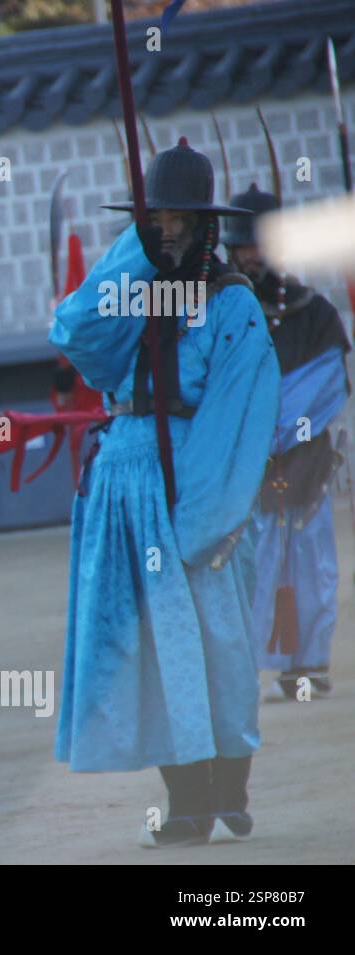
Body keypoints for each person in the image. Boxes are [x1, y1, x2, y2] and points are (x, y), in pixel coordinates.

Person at [50, 138, 280, 847]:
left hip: (199, 487)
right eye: (157, 216)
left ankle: (227, 780)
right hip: (125, 487)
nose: (170, 228)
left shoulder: (233, 307)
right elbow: (75, 336)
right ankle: (184, 799)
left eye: (180, 217)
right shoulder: (132, 291)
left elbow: (235, 419)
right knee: (153, 651)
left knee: (215, 644)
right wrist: (134, 254)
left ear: (208, 223)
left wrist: (201, 523)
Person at [222, 183, 350, 701]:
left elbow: (322, 390)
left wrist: (272, 425)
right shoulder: (219, 310)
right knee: (248, 565)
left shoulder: (314, 314)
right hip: (238, 464)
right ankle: (248, 665)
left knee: (309, 559)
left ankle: (307, 662)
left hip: (302, 463)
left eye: (259, 244)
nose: (250, 255)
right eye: (242, 244)